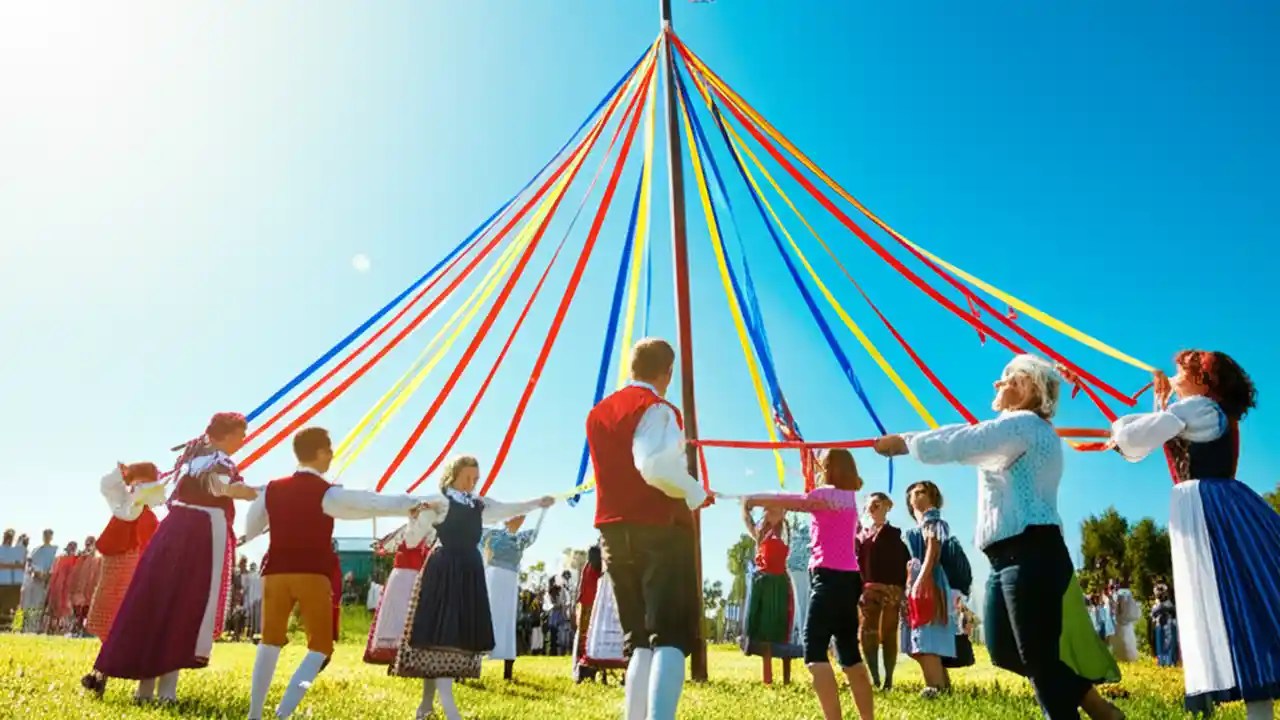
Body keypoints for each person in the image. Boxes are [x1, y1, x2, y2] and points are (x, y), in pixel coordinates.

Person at [874, 354, 1122, 720]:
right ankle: (1097, 706)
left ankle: (1090, 710)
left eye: (1006, 378)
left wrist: (906, 443)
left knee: (1037, 658)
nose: (996, 384)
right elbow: (971, 438)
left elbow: (968, 440)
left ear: (1027, 387)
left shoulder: (1023, 425)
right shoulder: (1018, 430)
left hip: (1031, 552)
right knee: (1006, 652)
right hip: (1006, 558)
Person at [1109, 350, 1279, 718]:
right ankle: (1253, 708)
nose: (1173, 374)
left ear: (1204, 381)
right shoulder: (1202, 411)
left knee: (1224, 600)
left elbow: (1135, 437)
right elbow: (1141, 442)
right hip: (1214, 508)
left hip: (1208, 511)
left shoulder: (1200, 408)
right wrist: (1158, 407)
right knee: (1234, 602)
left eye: (1182, 369)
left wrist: (1150, 415)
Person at [239, 427, 428, 720]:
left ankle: (254, 714)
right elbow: (371, 503)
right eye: (329, 451)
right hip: (313, 574)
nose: (332, 456)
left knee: (269, 642)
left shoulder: (272, 488)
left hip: (275, 572)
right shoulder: (327, 493)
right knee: (320, 649)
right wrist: (412, 504)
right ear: (320, 453)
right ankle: (283, 713)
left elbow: (251, 528)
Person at [92, 412, 258, 704]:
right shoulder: (218, 461)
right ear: (226, 434)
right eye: (240, 434)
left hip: (172, 532)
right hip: (199, 536)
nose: (243, 440)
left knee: (158, 602)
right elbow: (217, 486)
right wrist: (245, 491)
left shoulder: (191, 457)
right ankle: (166, 692)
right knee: (184, 606)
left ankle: (145, 690)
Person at [586, 338, 709, 720]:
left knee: (638, 641)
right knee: (669, 637)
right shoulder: (657, 408)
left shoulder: (598, 413)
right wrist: (695, 492)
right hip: (659, 529)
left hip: (612, 533)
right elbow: (654, 466)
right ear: (667, 373)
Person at [389, 455, 554, 720]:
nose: (472, 483)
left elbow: (505, 508)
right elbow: (412, 539)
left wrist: (537, 503)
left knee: (452, 633)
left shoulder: (478, 504)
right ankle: (450, 711)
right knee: (442, 632)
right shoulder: (440, 501)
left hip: (469, 570)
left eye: (475, 479)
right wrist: (415, 517)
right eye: (468, 478)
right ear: (453, 475)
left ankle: (425, 706)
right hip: (444, 570)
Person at [741, 449, 875, 720]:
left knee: (814, 651)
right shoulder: (850, 499)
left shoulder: (823, 496)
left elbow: (793, 501)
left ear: (829, 469)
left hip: (828, 579)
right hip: (849, 581)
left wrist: (752, 499)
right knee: (849, 652)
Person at [79, 462, 166, 695]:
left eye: (145, 482)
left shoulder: (145, 512)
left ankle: (101, 675)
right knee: (108, 619)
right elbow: (108, 487)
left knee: (119, 620)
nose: (139, 486)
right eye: (137, 481)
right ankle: (101, 674)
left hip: (132, 567)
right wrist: (122, 474)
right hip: (113, 565)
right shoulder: (124, 503)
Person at [899, 481, 958, 698]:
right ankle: (943, 687)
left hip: (928, 579)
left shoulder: (932, 518)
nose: (918, 496)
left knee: (926, 635)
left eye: (923, 492)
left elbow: (933, 548)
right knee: (920, 635)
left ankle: (935, 688)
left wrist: (922, 578)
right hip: (920, 576)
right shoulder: (922, 522)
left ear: (933, 496)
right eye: (914, 493)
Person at [481, 510, 546, 680]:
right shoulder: (492, 534)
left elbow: (537, 532)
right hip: (492, 577)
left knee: (508, 622)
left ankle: (507, 671)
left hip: (510, 582)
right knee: (487, 617)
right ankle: (473, 662)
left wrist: (543, 511)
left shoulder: (521, 539)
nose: (521, 519)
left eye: (522, 517)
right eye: (517, 516)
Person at [855, 491, 909, 690]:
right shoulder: (862, 536)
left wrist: (900, 590)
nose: (873, 508)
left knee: (888, 634)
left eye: (877, 504)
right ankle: (874, 678)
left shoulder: (895, 536)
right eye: (870, 505)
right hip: (868, 593)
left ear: (888, 506)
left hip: (890, 592)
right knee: (867, 634)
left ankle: (888, 680)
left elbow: (905, 563)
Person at [365, 516, 433, 665]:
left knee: (408, 614)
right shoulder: (407, 532)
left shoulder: (426, 534)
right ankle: (394, 653)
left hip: (413, 576)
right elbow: (384, 547)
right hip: (403, 576)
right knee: (397, 612)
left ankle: (407, 652)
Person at [740, 502, 793, 684]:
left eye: (776, 509)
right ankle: (767, 678)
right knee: (764, 632)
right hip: (763, 583)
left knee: (782, 627)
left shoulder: (785, 531)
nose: (771, 512)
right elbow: (747, 519)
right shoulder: (760, 533)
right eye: (768, 509)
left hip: (779, 583)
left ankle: (787, 677)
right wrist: (745, 507)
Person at [21, 529, 56, 633]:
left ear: (51, 536)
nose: (46, 536)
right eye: (45, 534)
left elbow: (54, 566)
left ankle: (34, 629)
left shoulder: (55, 550)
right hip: (32, 580)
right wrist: (35, 572)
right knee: (27, 604)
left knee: (38, 605)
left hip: (45, 581)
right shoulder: (36, 549)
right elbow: (30, 563)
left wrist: (46, 576)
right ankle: (23, 628)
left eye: (48, 535)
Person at [68, 536, 102, 636]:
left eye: (91, 543)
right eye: (87, 544)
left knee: (87, 612)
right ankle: (77, 629)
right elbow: (75, 574)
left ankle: (86, 630)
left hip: (90, 591)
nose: (88, 546)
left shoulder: (98, 559)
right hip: (80, 591)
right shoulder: (81, 558)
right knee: (78, 611)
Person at [45, 540, 80, 635]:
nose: (71, 550)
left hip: (66, 588)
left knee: (65, 609)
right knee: (55, 609)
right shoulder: (60, 559)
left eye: (72, 548)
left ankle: (64, 630)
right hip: (57, 587)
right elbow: (53, 573)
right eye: (70, 548)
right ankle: (52, 629)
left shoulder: (75, 560)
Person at [786, 518, 811, 646]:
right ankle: (801, 638)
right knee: (803, 604)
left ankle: (800, 637)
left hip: (799, 568)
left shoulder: (797, 538)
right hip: (801, 568)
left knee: (800, 604)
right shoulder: (804, 538)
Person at [1108, 581, 1140, 662]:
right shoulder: (1124, 594)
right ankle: (1127, 658)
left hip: (1123, 623)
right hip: (1124, 623)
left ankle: (1127, 658)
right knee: (1126, 642)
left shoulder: (1121, 595)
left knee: (1125, 642)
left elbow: (1121, 610)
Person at [0, 528, 25, 629]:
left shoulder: (16, 552)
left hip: (12, 583)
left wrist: (8, 565)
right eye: (7, 536)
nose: (8, 538)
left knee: (10, 606)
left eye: (11, 537)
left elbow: (21, 566)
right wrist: (12, 565)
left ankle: (7, 627)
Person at [1150, 583, 1178, 668]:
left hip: (1169, 625)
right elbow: (1153, 615)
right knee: (1160, 644)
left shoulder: (1169, 604)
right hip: (1159, 626)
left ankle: (1170, 662)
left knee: (1169, 644)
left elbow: (1173, 613)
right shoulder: (1156, 604)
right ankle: (1162, 662)